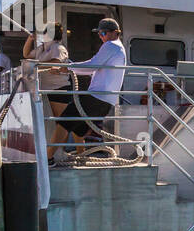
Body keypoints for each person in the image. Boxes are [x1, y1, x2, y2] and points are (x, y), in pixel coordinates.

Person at [63, 19, 127, 145]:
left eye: (103, 33)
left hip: (97, 96)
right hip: (106, 99)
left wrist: (68, 67)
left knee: (63, 121)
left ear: (115, 33)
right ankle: (80, 154)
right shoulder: (119, 47)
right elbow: (92, 68)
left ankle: (49, 157)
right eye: (99, 34)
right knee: (79, 128)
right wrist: (70, 67)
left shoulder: (111, 45)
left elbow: (93, 65)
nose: (100, 37)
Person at [23, 25, 71, 163]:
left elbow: (56, 62)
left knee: (61, 123)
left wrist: (36, 66)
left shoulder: (58, 48)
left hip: (58, 88)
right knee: (52, 123)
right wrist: (30, 39)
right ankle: (55, 152)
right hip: (45, 89)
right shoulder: (41, 48)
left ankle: (60, 153)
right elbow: (26, 55)